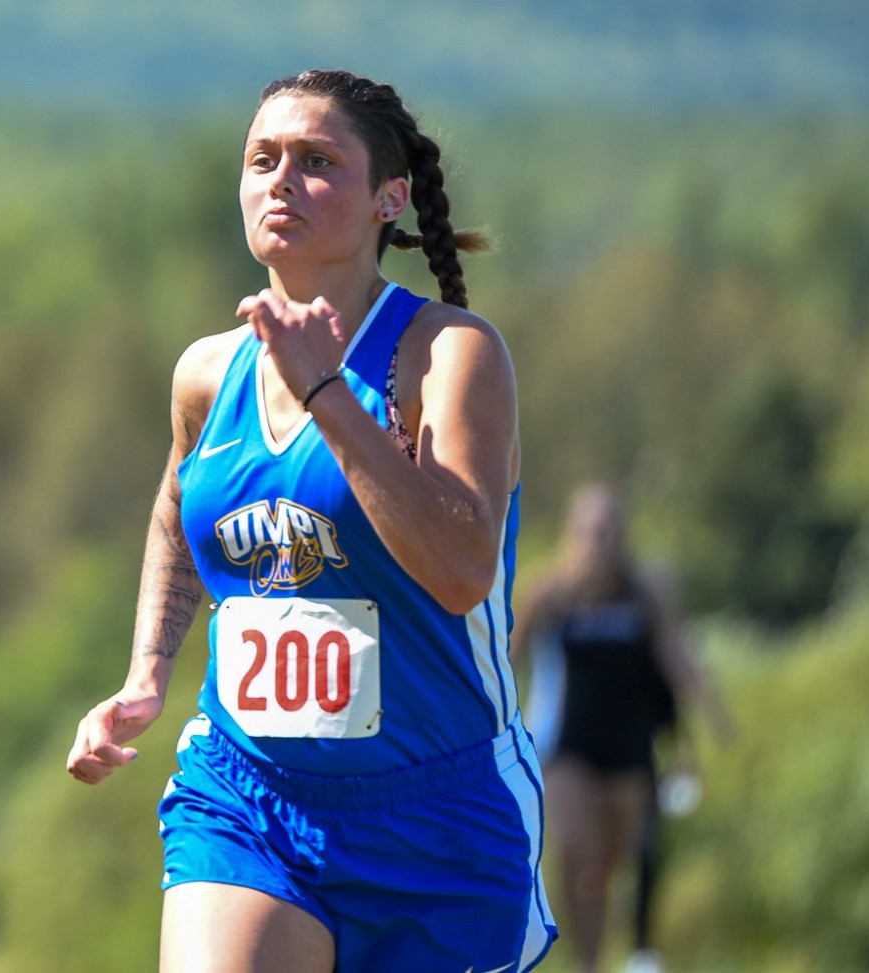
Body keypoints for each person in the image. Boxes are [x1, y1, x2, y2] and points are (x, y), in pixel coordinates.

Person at [65, 68, 554, 972]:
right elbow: (178, 511)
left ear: (387, 198)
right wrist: (145, 675)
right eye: (262, 160)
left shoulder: (447, 354)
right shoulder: (207, 373)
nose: (280, 180)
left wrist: (327, 390)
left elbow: (459, 569)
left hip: (437, 813)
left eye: (317, 161)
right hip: (247, 795)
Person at [512, 485, 729, 973]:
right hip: (566, 743)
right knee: (579, 855)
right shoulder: (550, 594)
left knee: (610, 864)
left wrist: (712, 712)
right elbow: (507, 656)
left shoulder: (644, 594)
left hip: (629, 747)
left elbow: (677, 657)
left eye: (610, 531)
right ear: (573, 535)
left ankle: (605, 952)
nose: (601, 542)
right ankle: (588, 964)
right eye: (592, 531)